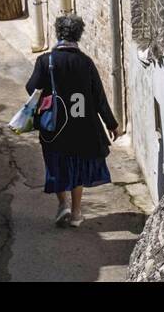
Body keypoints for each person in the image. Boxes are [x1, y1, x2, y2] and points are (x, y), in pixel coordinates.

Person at [26, 14, 120, 227]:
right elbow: (99, 97)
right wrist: (112, 124)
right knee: (77, 167)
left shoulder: (46, 61)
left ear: (59, 33)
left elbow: (31, 87)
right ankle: (77, 212)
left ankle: (63, 205)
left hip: (54, 126)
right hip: (82, 126)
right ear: (79, 35)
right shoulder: (85, 62)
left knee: (57, 163)